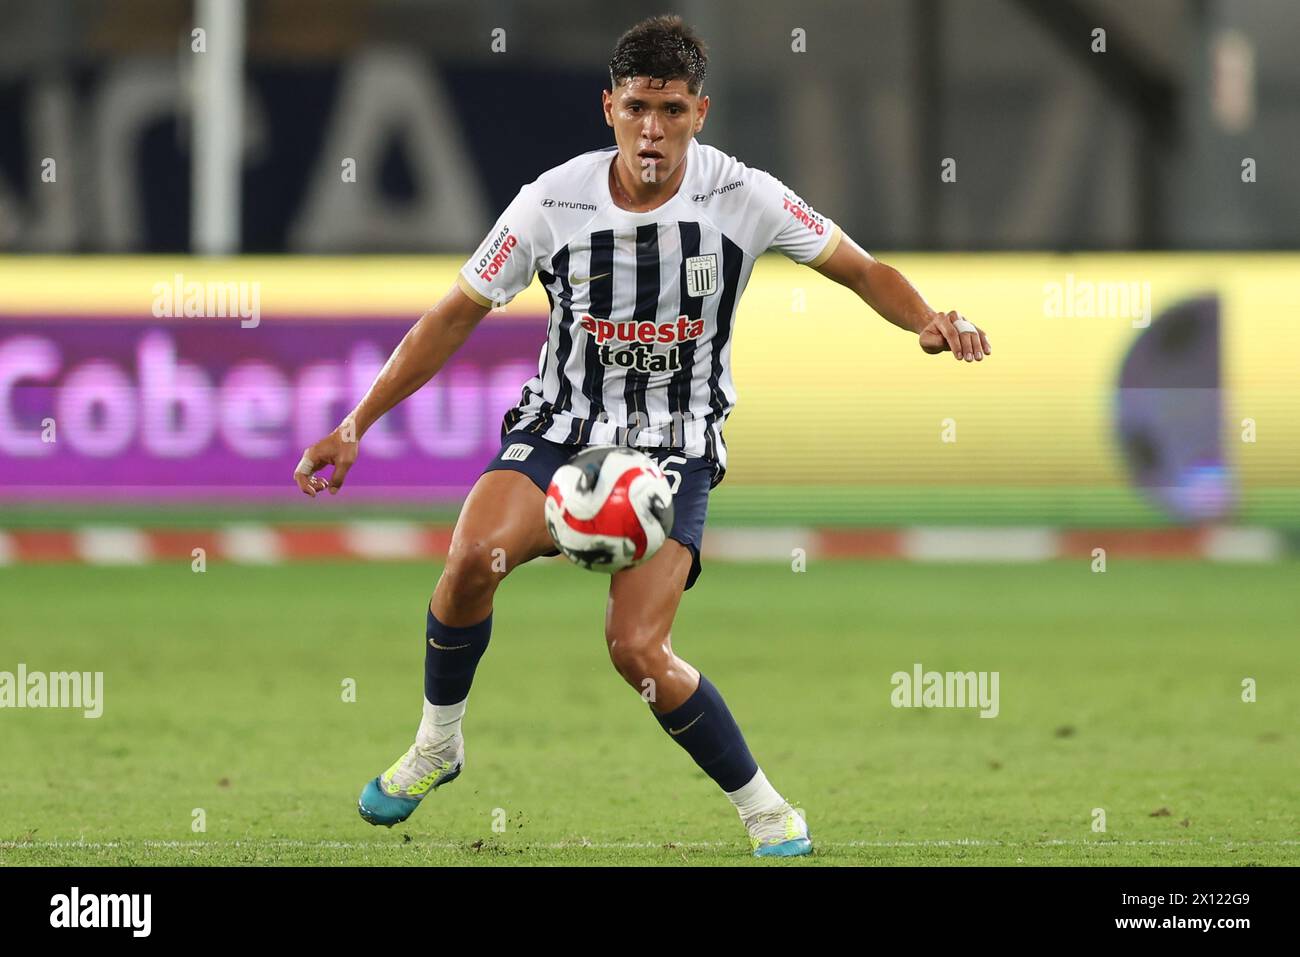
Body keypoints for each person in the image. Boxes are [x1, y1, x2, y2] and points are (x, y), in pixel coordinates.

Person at [293, 14, 991, 858]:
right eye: (635, 108)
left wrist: (925, 320)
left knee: (636, 647)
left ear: (701, 111)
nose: (652, 129)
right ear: (608, 108)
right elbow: (452, 317)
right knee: (470, 561)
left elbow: (859, 266)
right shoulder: (550, 201)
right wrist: (355, 422)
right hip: (561, 430)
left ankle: (767, 810)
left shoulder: (747, 197)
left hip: (675, 445)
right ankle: (439, 743)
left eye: (670, 109)